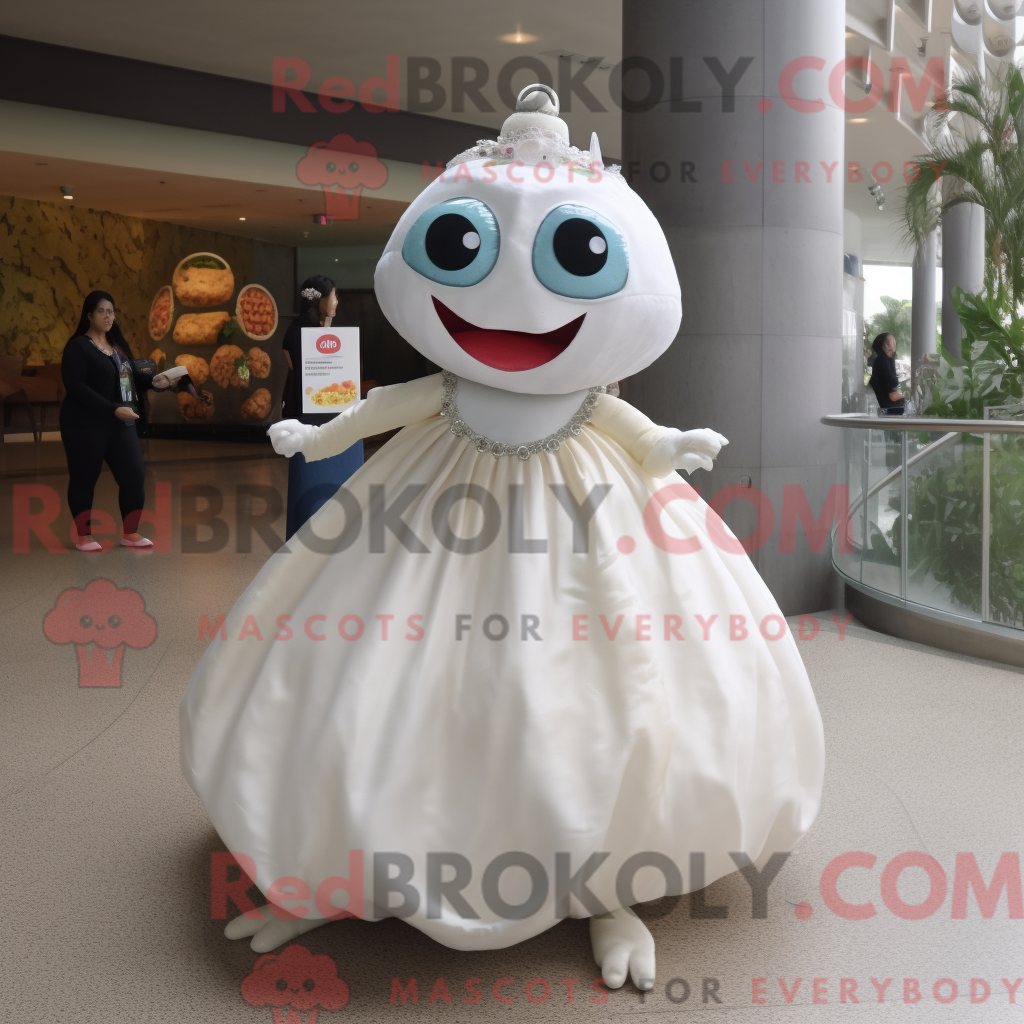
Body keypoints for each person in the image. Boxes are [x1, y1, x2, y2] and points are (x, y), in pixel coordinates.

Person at [182, 87, 823, 991]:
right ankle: (337, 859)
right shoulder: (444, 390)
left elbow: (629, 427)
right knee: (379, 674)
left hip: (591, 522)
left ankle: (603, 884)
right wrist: (314, 436)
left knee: (602, 690)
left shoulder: (588, 396)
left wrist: (670, 447)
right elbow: (378, 408)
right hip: (426, 509)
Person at [60, 291, 172, 552]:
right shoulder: (78, 347)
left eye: (111, 311)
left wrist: (160, 382)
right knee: (84, 478)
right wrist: (111, 409)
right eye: (102, 311)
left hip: (119, 421)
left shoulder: (117, 346)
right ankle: (83, 537)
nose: (109, 316)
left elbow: (130, 379)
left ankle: (130, 533)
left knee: (134, 475)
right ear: (89, 315)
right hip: (84, 423)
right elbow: (75, 386)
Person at [281, 275, 363, 538]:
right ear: (321, 300)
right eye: (334, 297)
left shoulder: (297, 330)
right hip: (316, 423)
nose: (337, 302)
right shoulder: (305, 334)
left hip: (309, 417)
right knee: (319, 489)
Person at [868, 332, 905, 414]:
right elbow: (892, 394)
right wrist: (906, 393)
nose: (895, 342)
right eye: (891, 340)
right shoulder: (882, 361)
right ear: (884, 345)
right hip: (888, 410)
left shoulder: (887, 360)